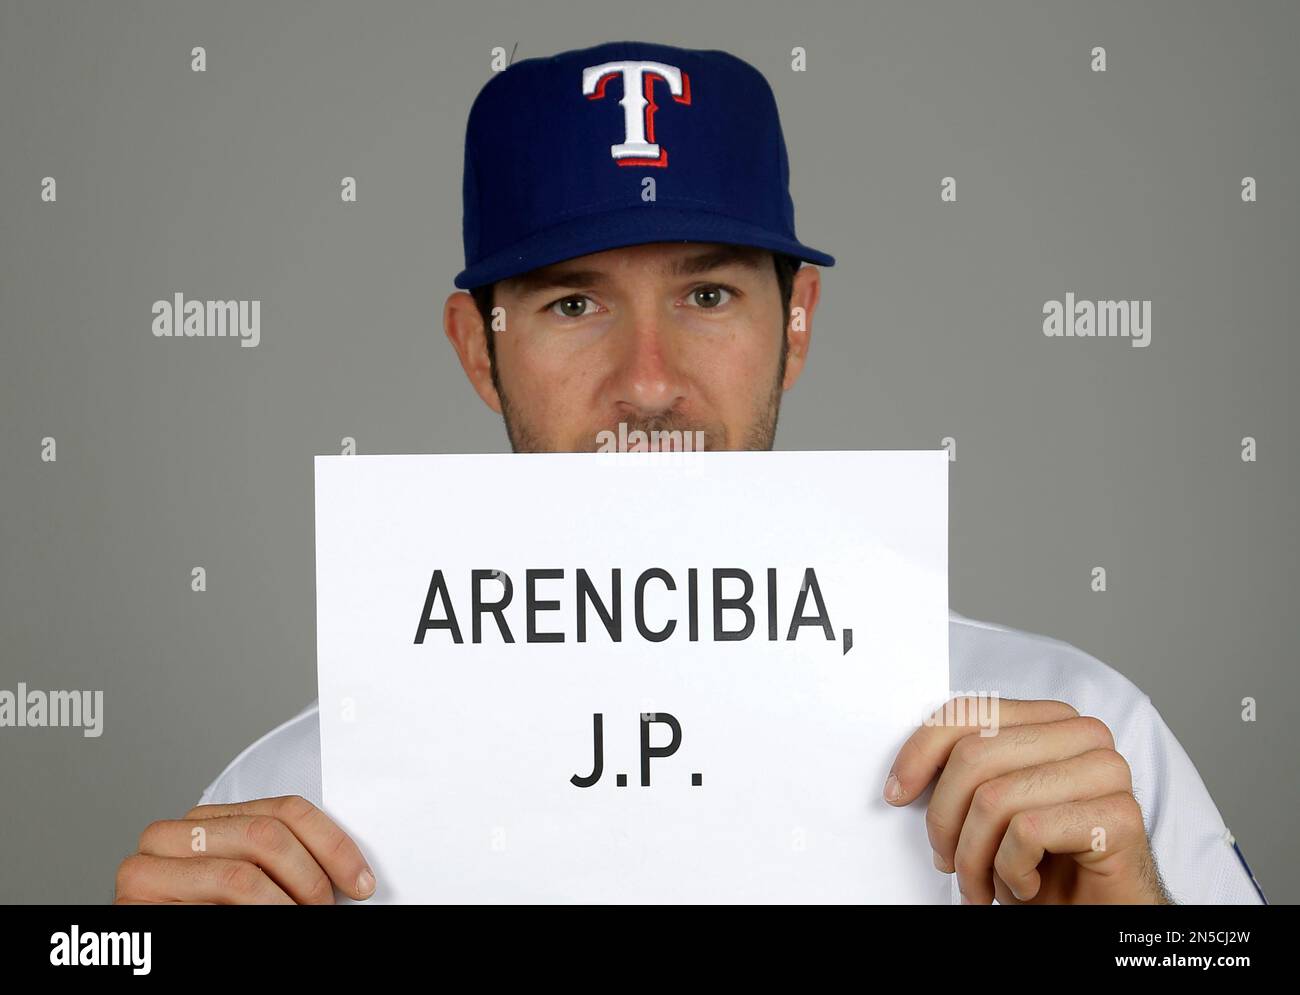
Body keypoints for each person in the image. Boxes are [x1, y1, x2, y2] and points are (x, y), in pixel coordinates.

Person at [113, 40, 1266, 905]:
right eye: (573, 303)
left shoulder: (1077, 741)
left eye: (707, 295)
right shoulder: (298, 809)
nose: (649, 380)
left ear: (795, 322)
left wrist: (1141, 934)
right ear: (480, 349)